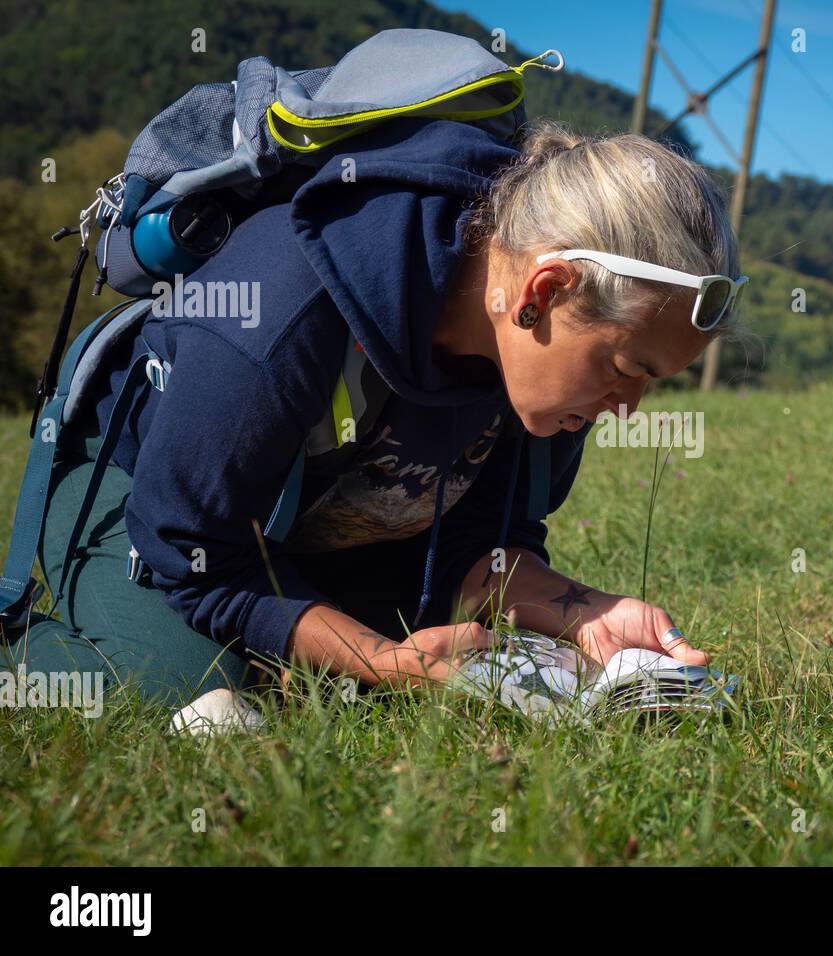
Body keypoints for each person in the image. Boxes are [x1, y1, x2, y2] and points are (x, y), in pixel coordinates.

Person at [5, 117, 746, 716]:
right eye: (625, 370)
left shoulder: (541, 378)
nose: (626, 410)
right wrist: (378, 659)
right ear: (542, 292)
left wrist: (585, 612)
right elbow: (189, 546)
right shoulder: (283, 307)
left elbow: (481, 543)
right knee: (186, 683)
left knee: (465, 652)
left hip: (304, 526)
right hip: (143, 491)